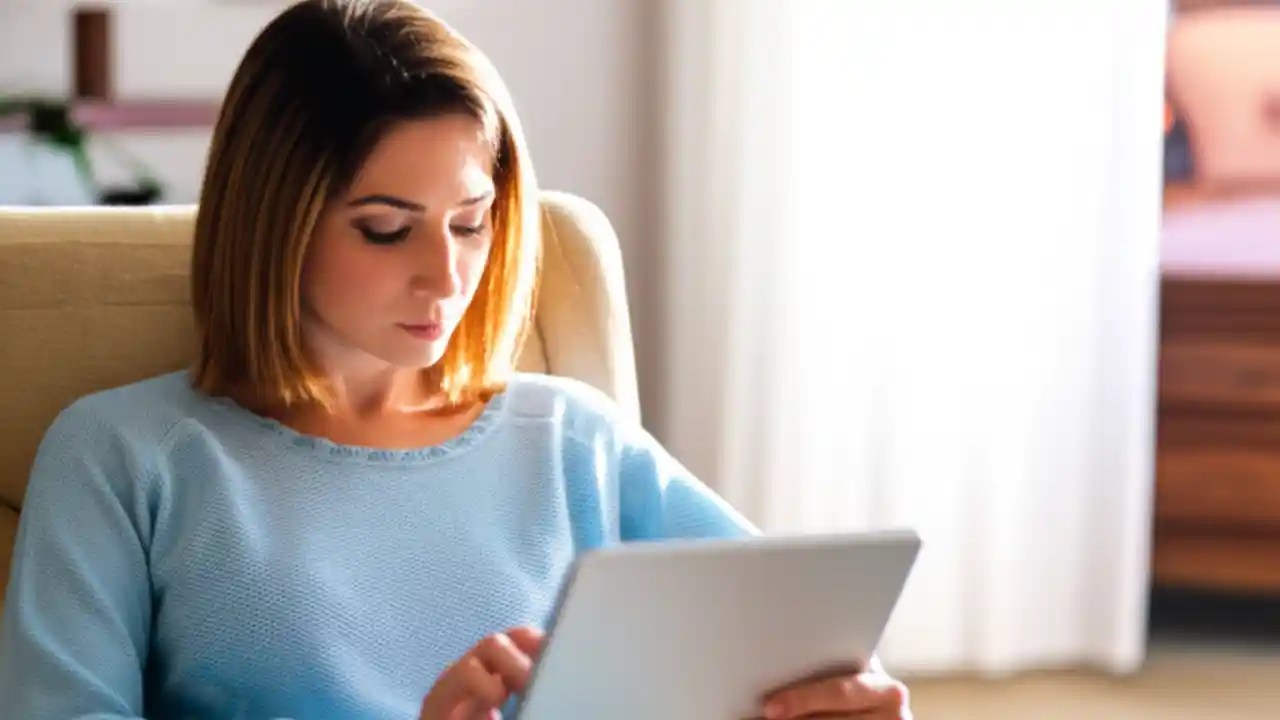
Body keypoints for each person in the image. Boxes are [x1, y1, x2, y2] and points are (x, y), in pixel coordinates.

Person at [0, 1, 911, 718]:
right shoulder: (125, 455)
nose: (446, 275)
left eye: (472, 223)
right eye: (387, 230)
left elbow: (797, 640)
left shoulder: (575, 440)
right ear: (276, 223)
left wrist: (849, 695)